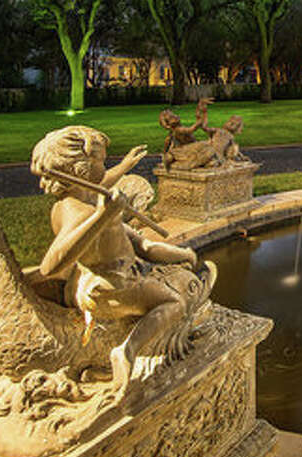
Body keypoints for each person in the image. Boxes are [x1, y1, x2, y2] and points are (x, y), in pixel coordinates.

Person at [31, 126, 214, 399]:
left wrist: (184, 254)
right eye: (101, 162)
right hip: (112, 288)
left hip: (92, 280)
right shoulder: (80, 212)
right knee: (173, 302)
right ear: (81, 170)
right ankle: (127, 350)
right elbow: (50, 266)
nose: (105, 169)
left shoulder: (79, 200)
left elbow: (145, 247)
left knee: (150, 255)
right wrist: (103, 217)